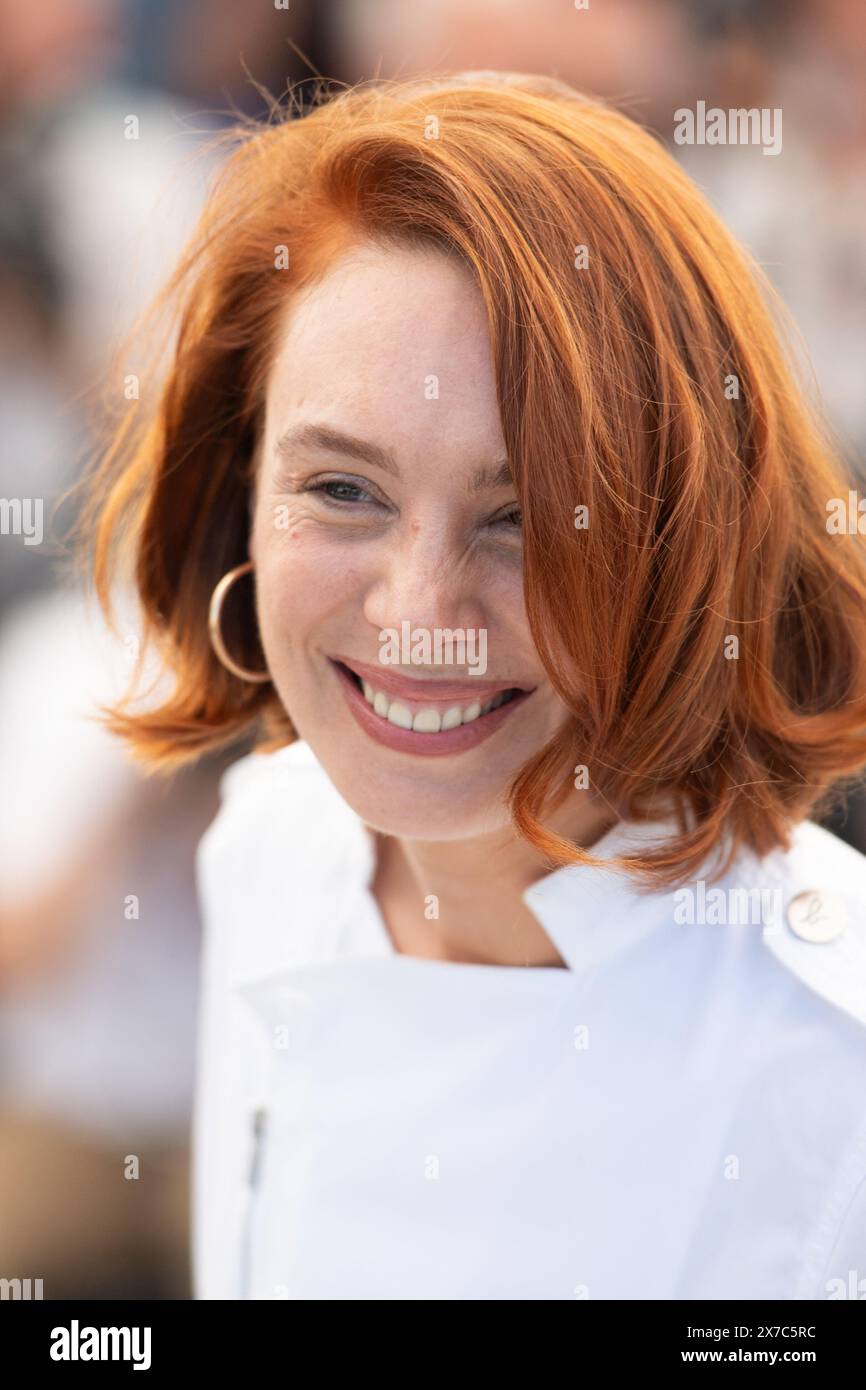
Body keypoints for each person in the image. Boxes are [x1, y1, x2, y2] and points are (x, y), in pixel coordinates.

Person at [83, 72, 866, 1300]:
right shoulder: (271, 846)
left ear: (684, 538)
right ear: (236, 490)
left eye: (523, 520)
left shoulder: (832, 1056)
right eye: (342, 490)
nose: (418, 615)